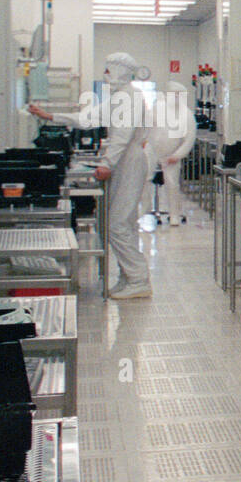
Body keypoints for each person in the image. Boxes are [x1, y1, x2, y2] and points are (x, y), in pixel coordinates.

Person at [97, 52, 154, 299]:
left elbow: (122, 134)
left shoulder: (129, 97)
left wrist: (108, 162)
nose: (106, 74)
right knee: (124, 223)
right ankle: (127, 276)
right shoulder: (121, 96)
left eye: (109, 69)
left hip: (129, 159)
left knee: (118, 224)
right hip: (126, 159)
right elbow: (90, 117)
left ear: (120, 69)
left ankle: (139, 279)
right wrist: (52, 116)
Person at [144, 80, 197, 225]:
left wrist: (178, 155)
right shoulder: (157, 108)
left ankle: (174, 214)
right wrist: (144, 143)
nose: (174, 97)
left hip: (172, 153)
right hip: (152, 149)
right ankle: (143, 211)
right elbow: (146, 126)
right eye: (172, 94)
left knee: (172, 185)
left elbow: (189, 139)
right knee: (144, 180)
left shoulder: (186, 115)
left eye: (178, 95)